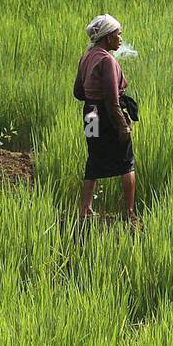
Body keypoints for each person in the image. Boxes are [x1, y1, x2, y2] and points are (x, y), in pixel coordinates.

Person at [73, 14, 136, 222]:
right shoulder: (107, 60)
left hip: (90, 115)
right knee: (126, 162)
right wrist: (122, 125)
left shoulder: (87, 56)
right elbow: (111, 99)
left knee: (94, 155)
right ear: (107, 37)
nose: (120, 38)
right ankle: (128, 213)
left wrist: (93, 96)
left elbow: (78, 92)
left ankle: (85, 208)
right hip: (106, 115)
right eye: (118, 34)